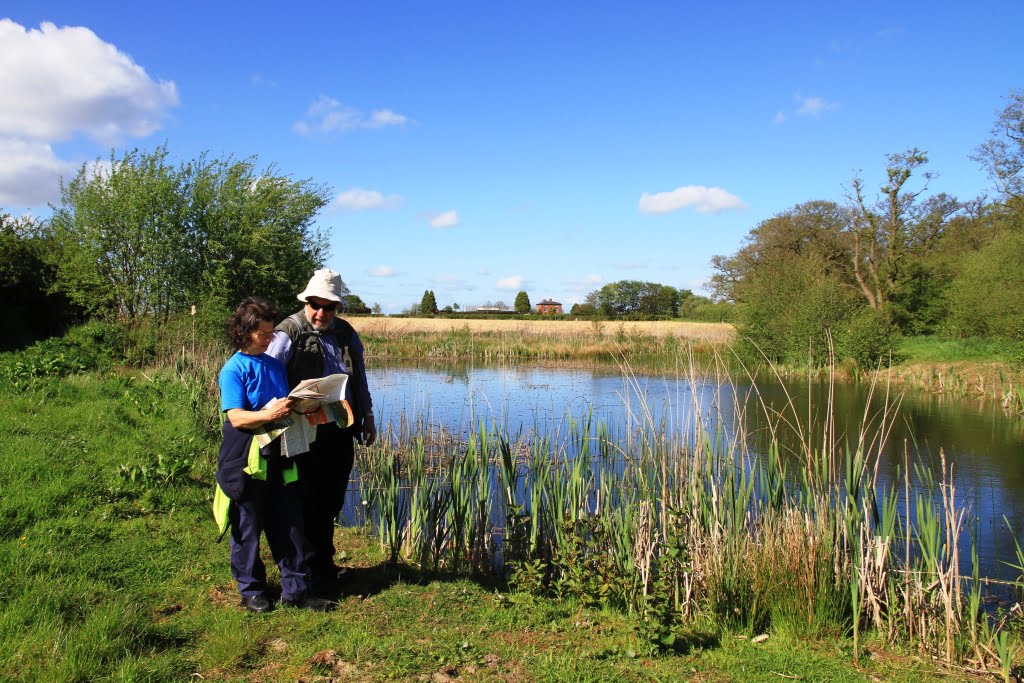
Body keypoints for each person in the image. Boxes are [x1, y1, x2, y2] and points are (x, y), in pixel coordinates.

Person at [215, 297, 334, 613]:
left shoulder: (274, 365)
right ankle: (252, 590)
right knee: (247, 527)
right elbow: (236, 417)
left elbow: (284, 405)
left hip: (282, 453)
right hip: (247, 460)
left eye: (271, 332)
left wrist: (306, 407)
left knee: (289, 524)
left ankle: (297, 591)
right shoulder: (234, 369)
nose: (270, 338)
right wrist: (269, 414)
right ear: (244, 332)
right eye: (264, 333)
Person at [267, 269, 376, 592]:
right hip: (302, 431)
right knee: (304, 499)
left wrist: (368, 416)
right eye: (315, 305)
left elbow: (359, 378)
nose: (321, 313)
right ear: (306, 302)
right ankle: (306, 572)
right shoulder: (288, 332)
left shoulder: (345, 333)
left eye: (329, 307)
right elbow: (268, 376)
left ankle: (323, 565)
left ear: (337, 307)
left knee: (330, 499)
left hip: (340, 429)